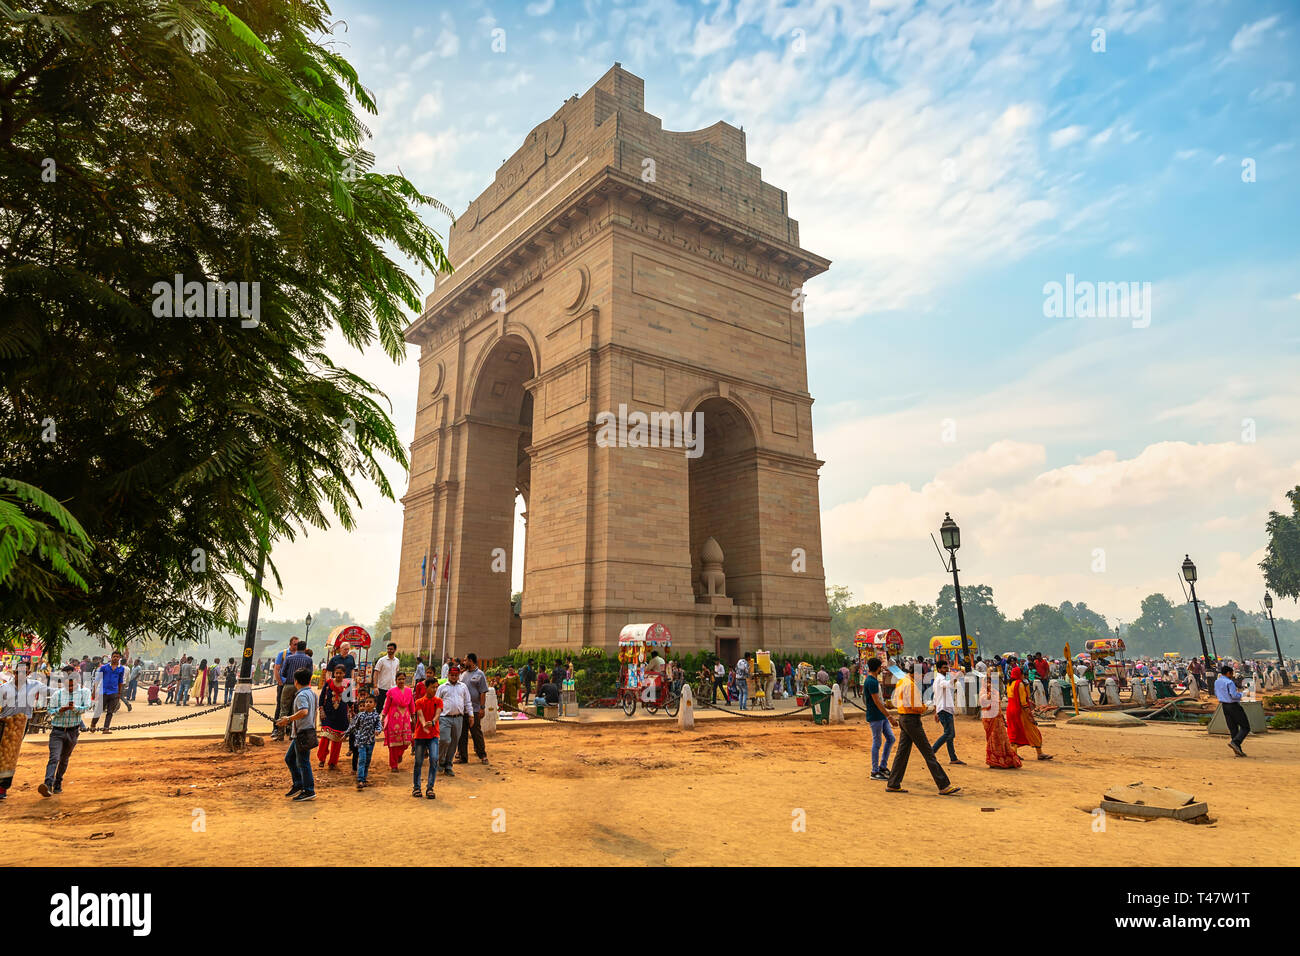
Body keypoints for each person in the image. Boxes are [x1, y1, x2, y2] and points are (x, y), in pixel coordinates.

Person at [885, 664, 960, 796]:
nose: (923, 677)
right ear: (916, 673)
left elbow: (896, 700)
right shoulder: (911, 685)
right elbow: (916, 706)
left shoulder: (902, 682)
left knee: (902, 753)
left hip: (903, 718)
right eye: (922, 674)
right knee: (928, 753)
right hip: (912, 720)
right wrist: (925, 707)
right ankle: (943, 785)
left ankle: (893, 783)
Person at [39, 665, 93, 797]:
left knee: (64, 759)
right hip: (57, 730)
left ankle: (58, 782)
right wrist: (59, 710)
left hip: (73, 731)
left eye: (72, 686)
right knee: (54, 758)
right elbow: (50, 710)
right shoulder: (58, 694)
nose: (69, 688)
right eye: (67, 686)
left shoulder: (84, 692)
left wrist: (74, 708)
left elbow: (86, 707)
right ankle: (48, 784)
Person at [0, 664, 45, 800]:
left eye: (24, 672)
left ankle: (2, 789)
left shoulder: (35, 685)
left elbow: (50, 690)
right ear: (13, 672)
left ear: (28, 673)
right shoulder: (4, 688)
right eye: (18, 672)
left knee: (10, 756)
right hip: (3, 723)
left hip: (19, 726)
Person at [276, 667, 317, 801]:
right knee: (290, 759)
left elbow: (304, 711)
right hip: (304, 731)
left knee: (303, 762)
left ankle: (309, 790)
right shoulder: (312, 693)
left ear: (296, 681)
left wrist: (288, 719)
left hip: (302, 733)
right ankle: (299, 784)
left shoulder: (301, 695)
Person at [1005, 667, 1052, 760]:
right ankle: (1040, 753)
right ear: (1020, 674)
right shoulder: (1020, 684)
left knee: (1013, 731)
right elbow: (1023, 702)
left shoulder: (1009, 684)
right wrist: (1029, 714)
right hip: (1020, 711)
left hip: (1010, 710)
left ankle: (1014, 753)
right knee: (1033, 730)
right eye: (1023, 674)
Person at [978, 671, 1022, 769]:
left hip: (998, 718)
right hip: (989, 718)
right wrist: (988, 694)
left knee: (1002, 738)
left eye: (990, 680)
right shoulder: (983, 691)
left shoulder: (995, 691)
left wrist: (1003, 718)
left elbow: (998, 705)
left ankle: (1004, 759)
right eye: (987, 680)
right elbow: (982, 701)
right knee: (992, 739)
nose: (989, 682)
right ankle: (994, 761)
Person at [435, 666, 473, 777]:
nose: (454, 677)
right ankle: (440, 761)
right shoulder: (442, 687)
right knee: (444, 740)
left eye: (456, 675)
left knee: (454, 742)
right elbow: (436, 703)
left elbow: (467, 702)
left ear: (459, 676)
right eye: (452, 675)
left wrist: (471, 715)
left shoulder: (463, 687)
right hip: (444, 718)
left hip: (458, 718)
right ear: (448, 675)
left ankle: (448, 765)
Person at [863, 657, 897, 781]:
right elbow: (877, 701)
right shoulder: (871, 682)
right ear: (877, 668)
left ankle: (882, 766)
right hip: (876, 715)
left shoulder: (872, 680)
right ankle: (874, 770)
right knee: (877, 742)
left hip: (880, 715)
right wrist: (889, 716)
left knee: (890, 738)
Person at [411, 676, 444, 798]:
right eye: (432, 687)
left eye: (436, 687)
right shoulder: (419, 702)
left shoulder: (439, 701)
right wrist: (424, 723)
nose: (435, 689)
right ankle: (416, 787)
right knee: (418, 761)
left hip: (433, 734)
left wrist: (433, 722)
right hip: (420, 735)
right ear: (426, 688)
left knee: (434, 759)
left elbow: (438, 714)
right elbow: (419, 714)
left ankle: (430, 787)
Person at [456, 653, 490, 765]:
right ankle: (463, 757)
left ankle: (482, 755)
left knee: (476, 733)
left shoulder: (480, 674)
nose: (464, 662)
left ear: (471, 661)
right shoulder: (463, 675)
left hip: (475, 710)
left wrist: (482, 708)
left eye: (465, 660)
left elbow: (482, 693)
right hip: (462, 709)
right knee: (462, 734)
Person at [929, 660, 965, 765]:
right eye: (944, 668)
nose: (946, 669)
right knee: (949, 733)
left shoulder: (941, 678)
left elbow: (937, 696)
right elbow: (948, 684)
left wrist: (936, 711)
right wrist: (956, 675)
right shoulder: (940, 679)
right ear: (939, 669)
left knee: (950, 735)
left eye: (947, 667)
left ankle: (953, 758)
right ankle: (932, 751)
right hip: (944, 709)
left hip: (944, 708)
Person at [317, 664, 350, 770]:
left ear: (344, 674)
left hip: (341, 715)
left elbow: (349, 700)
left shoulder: (347, 684)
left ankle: (332, 762)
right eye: (337, 673)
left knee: (337, 740)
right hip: (328, 714)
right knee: (325, 737)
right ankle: (322, 759)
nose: (338, 675)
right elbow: (322, 697)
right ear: (334, 673)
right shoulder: (328, 683)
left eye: (341, 673)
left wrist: (352, 713)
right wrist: (321, 709)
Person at [347, 694, 382, 789]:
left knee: (367, 761)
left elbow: (379, 725)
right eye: (367, 702)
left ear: (375, 704)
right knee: (362, 760)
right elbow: (353, 726)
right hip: (361, 742)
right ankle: (360, 779)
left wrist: (378, 730)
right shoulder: (360, 715)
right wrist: (346, 733)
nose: (368, 704)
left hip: (371, 742)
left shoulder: (376, 716)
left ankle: (364, 778)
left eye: (370, 702)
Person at [382, 671, 414, 770]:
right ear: (395, 680)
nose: (401, 681)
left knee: (406, 741)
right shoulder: (391, 692)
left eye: (403, 679)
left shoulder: (409, 691)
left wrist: (413, 715)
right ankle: (394, 765)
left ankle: (399, 754)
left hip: (405, 719)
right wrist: (383, 717)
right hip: (394, 719)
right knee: (393, 743)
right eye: (399, 679)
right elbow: (387, 705)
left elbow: (411, 704)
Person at [1215, 665, 1249, 757]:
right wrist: (1242, 694)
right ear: (1228, 673)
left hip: (1224, 706)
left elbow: (1216, 693)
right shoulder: (1229, 682)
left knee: (1233, 728)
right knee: (1245, 727)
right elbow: (1233, 695)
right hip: (1233, 705)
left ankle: (1238, 750)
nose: (1232, 675)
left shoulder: (1217, 682)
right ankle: (1235, 742)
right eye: (1231, 673)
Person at [90, 650, 127, 733]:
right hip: (103, 692)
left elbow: (120, 681)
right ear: (111, 657)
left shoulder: (121, 669)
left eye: (117, 657)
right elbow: (97, 679)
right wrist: (94, 691)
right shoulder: (104, 667)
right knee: (99, 710)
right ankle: (93, 724)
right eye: (114, 656)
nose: (115, 658)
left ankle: (106, 728)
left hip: (114, 692)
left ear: (120, 658)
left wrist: (119, 693)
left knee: (110, 712)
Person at [372, 642, 400, 715]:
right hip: (382, 688)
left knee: (392, 707)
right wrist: (375, 686)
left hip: (393, 688)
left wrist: (398, 687)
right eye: (388, 649)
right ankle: (376, 724)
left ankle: (389, 724)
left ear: (395, 650)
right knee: (379, 707)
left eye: (391, 649)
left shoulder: (397, 661)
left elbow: (397, 674)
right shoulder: (382, 660)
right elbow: (376, 673)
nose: (389, 651)